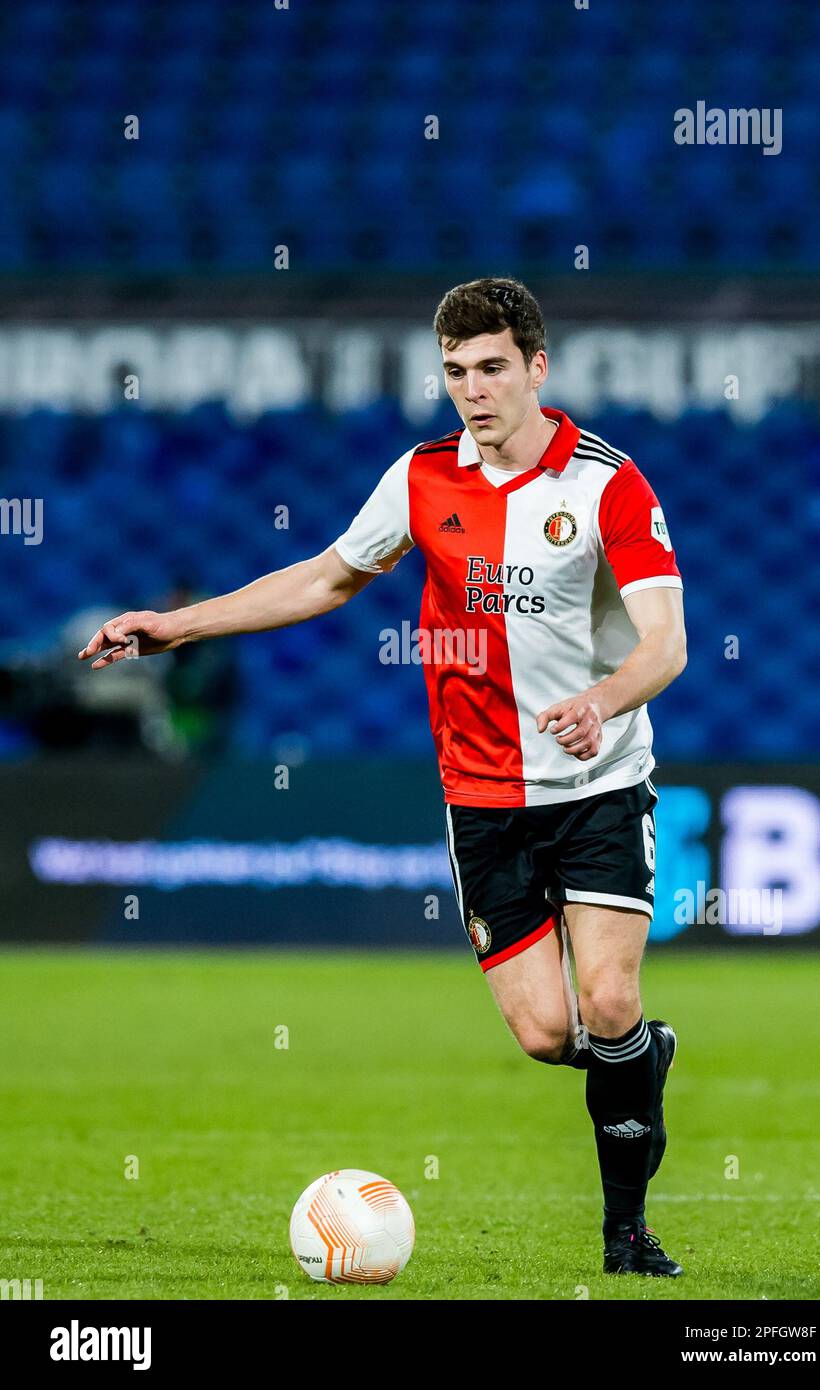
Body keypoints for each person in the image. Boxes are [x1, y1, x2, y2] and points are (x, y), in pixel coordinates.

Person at [78, 277, 687, 1278]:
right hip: (482, 795)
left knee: (608, 998)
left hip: (598, 784)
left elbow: (663, 643)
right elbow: (326, 576)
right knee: (546, 1034)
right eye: (454, 372)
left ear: (536, 367)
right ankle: (637, 1064)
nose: (472, 390)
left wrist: (603, 699)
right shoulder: (419, 479)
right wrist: (173, 623)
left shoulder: (607, 485)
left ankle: (625, 1233)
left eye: (491, 367)